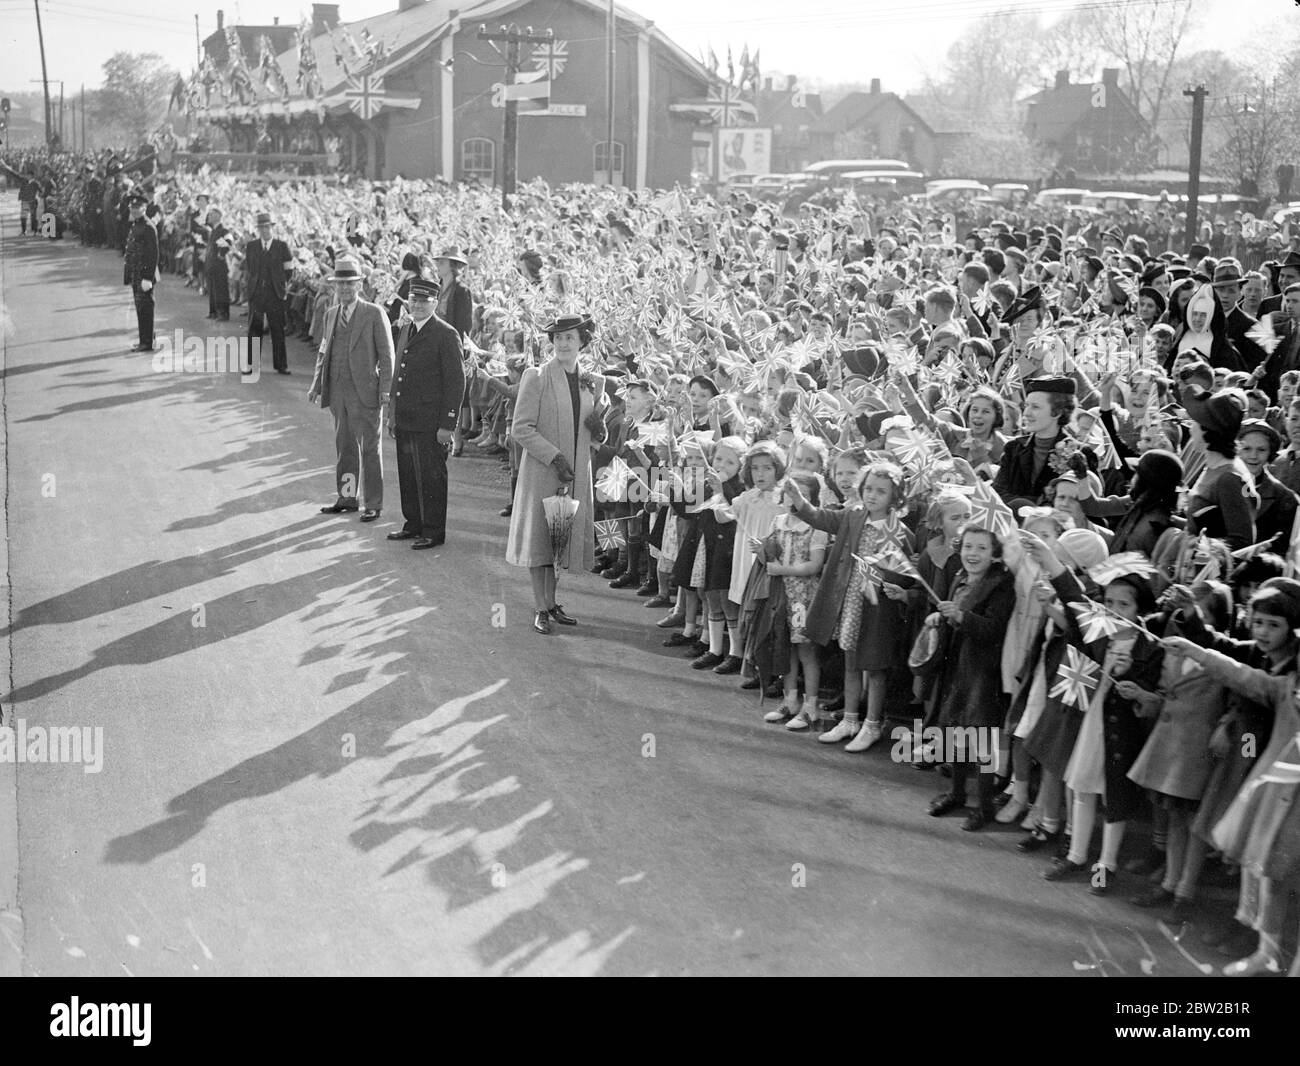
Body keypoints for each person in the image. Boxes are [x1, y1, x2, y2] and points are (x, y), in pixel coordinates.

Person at [505, 314, 609, 635]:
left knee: (559, 539)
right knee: (541, 541)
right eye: (558, 338)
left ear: (582, 343)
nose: (563, 343)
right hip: (544, 472)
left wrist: (599, 430)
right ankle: (540, 606)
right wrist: (554, 456)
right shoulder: (537, 376)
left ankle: (551, 603)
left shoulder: (591, 381)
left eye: (570, 338)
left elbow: (594, 434)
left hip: (574, 474)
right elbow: (521, 428)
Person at [307, 257, 394, 523]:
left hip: (366, 391)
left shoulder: (373, 312)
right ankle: (347, 498)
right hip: (338, 391)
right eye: (340, 284)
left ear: (359, 284)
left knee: (369, 448)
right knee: (344, 447)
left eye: (349, 283)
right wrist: (316, 385)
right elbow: (324, 353)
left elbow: (387, 354)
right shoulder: (332, 313)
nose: (344, 289)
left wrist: (385, 390)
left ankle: (373, 504)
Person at [385, 277, 465, 549]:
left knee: (431, 477)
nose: (417, 305)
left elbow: (456, 382)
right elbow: (399, 374)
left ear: (435, 303)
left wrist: (448, 424)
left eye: (424, 301)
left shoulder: (445, 333)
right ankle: (413, 524)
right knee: (408, 475)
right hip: (407, 416)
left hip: (430, 421)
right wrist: (393, 414)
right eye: (413, 300)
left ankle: (432, 530)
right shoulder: (407, 328)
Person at [244, 211, 294, 375]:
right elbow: (250, 268)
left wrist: (279, 284)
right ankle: (252, 365)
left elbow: (289, 270)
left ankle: (281, 365)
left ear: (272, 228)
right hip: (257, 293)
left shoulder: (282, 246)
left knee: (277, 329)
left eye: (267, 227)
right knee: (254, 329)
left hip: (275, 294)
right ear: (258, 229)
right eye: (261, 228)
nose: (264, 231)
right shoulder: (252, 246)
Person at [122, 192, 158, 353]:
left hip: (144, 275)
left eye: (138, 207)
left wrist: (147, 277)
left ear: (145, 208)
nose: (134, 210)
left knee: (145, 308)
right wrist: (128, 273)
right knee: (140, 308)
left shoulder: (148, 227)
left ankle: (147, 342)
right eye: (132, 207)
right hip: (136, 273)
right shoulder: (136, 224)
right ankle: (145, 338)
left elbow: (153, 254)